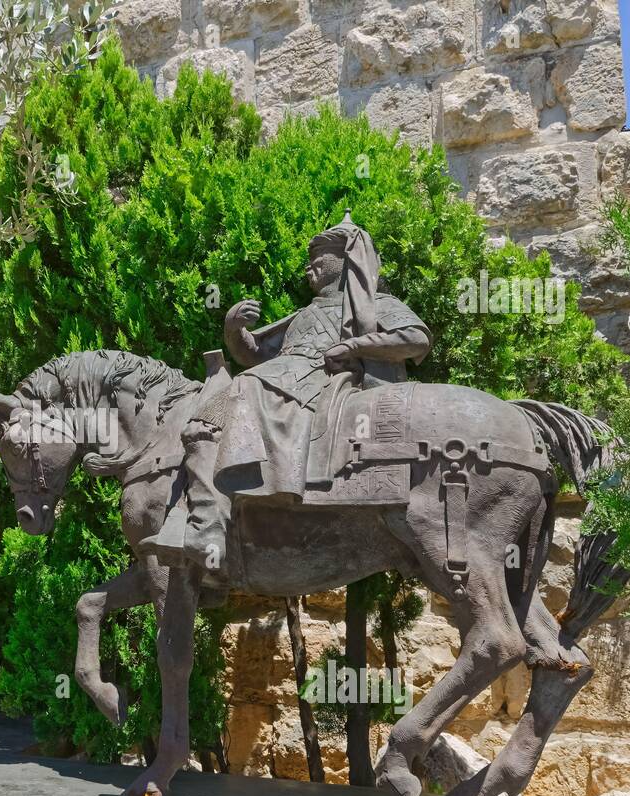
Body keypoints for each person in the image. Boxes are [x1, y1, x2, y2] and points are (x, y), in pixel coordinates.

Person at [144, 211, 432, 573]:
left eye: (317, 260)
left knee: (239, 389)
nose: (308, 268)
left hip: (319, 383)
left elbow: (415, 338)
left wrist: (355, 346)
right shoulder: (303, 313)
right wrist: (234, 328)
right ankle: (204, 514)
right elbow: (257, 354)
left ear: (343, 262)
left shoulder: (375, 305)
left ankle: (210, 522)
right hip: (284, 378)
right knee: (212, 410)